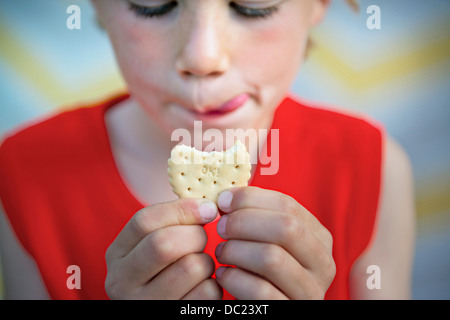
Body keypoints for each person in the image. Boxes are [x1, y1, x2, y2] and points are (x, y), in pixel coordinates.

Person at [0, 0, 415, 300]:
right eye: (153, 4)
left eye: (253, 5)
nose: (203, 57)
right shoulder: (21, 172)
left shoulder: (372, 165)